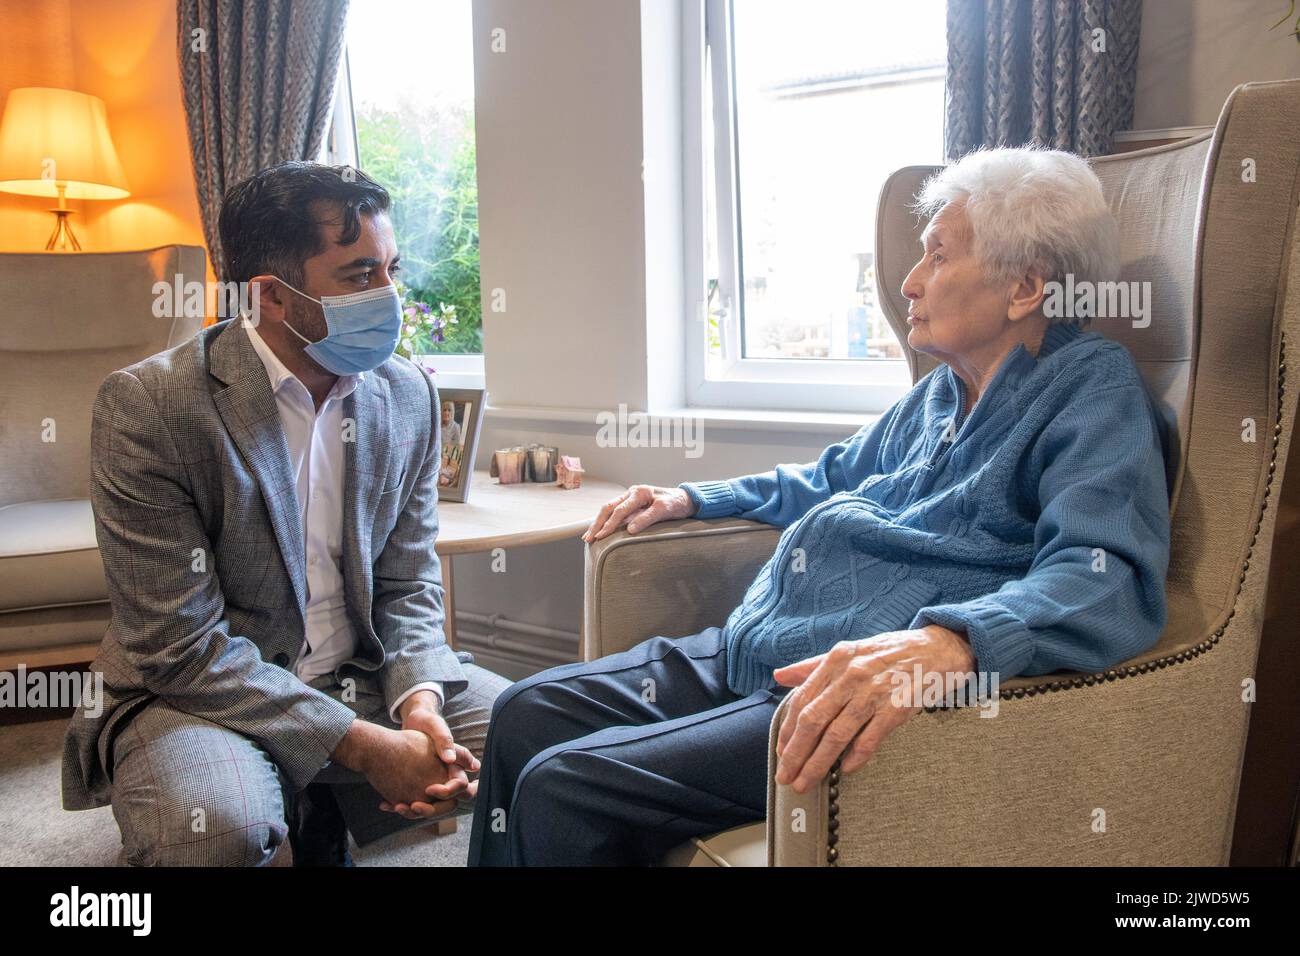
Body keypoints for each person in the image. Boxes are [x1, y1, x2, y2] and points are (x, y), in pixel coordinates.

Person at [467, 146, 1172, 866]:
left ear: (1025, 288)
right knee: (522, 713)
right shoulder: (937, 394)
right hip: (757, 648)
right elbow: (829, 477)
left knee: (564, 788)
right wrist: (694, 496)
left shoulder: (1091, 390)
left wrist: (952, 642)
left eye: (936, 256)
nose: (908, 282)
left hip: (833, 691)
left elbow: (1105, 573)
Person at [62, 161, 510, 866]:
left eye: (392, 267)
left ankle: (326, 800)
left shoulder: (409, 398)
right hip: (201, 695)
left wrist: (418, 704)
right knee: (214, 834)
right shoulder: (149, 407)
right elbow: (180, 650)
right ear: (271, 296)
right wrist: (365, 745)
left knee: (548, 740)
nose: (391, 296)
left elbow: (409, 584)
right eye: (361, 276)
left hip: (366, 670)